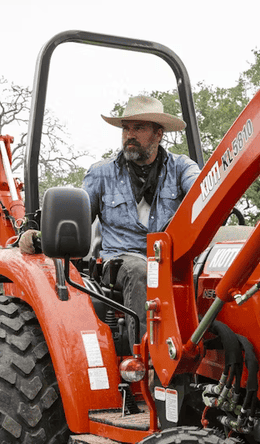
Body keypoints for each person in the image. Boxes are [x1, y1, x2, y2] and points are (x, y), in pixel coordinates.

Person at [82, 95, 201, 345]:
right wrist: (38, 233)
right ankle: (146, 361)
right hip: (121, 261)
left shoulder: (180, 168)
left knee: (208, 273)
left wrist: (209, 194)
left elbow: (201, 192)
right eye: (126, 128)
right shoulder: (101, 173)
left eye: (139, 128)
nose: (129, 134)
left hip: (169, 259)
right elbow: (77, 219)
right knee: (142, 271)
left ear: (159, 134)